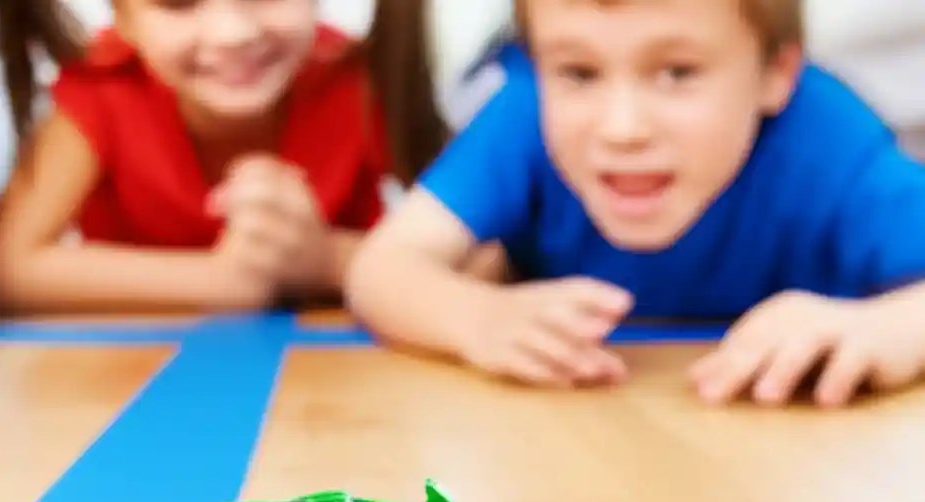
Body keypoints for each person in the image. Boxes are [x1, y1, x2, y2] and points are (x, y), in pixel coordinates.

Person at [345, 0, 925, 408]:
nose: (622, 129)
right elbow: (382, 267)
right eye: (578, 72)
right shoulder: (524, 115)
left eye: (677, 73)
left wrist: (885, 330)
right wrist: (478, 319)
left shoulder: (829, 143)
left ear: (775, 73)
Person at [0, 0, 448, 314]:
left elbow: (487, 258)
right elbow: (0, 273)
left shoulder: (359, 85)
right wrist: (222, 280)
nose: (231, 32)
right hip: (138, 384)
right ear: (125, 19)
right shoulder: (100, 90)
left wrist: (325, 259)